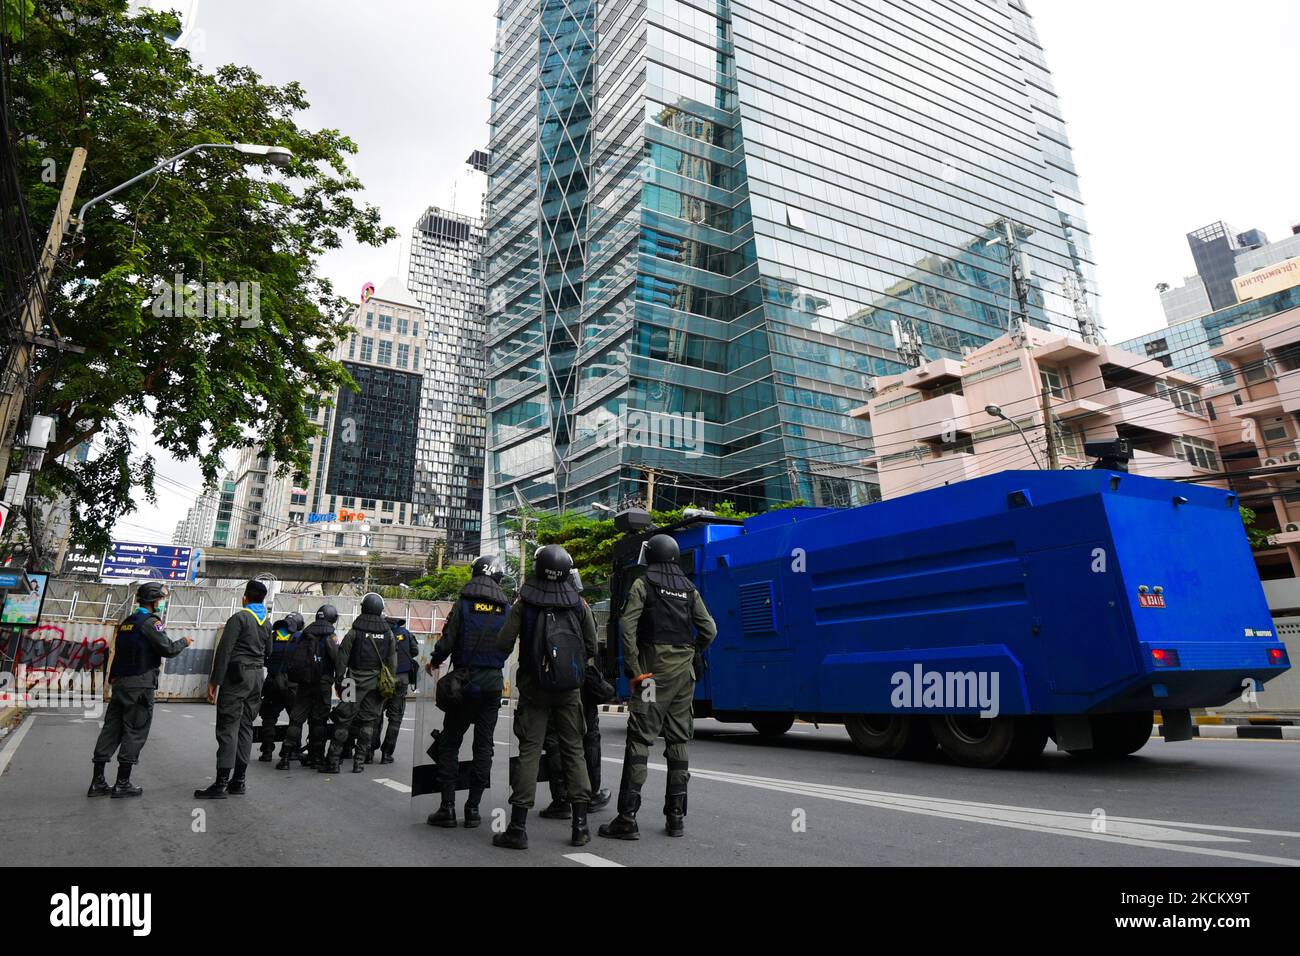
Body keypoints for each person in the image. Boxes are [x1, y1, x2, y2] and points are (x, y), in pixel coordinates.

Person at [599, 534, 716, 840]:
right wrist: (693, 653)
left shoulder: (643, 584)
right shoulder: (688, 589)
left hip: (651, 678)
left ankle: (627, 818)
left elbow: (627, 626)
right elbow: (710, 630)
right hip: (683, 678)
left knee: (640, 739)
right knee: (678, 740)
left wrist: (636, 670)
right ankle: (676, 818)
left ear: (650, 556)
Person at [492, 545, 596, 850]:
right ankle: (580, 827)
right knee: (574, 750)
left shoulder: (526, 602)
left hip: (535, 688)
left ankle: (518, 828)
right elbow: (591, 645)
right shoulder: (578, 603)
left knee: (529, 752)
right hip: (569, 690)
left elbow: (503, 643)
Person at [425, 555, 509, 829]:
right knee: (484, 746)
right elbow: (508, 645)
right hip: (493, 684)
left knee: (450, 743)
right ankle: (473, 809)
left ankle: (447, 807)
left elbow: (448, 639)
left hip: (465, 682)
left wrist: (435, 661)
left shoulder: (464, 603)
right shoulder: (506, 608)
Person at [88, 582, 193, 798]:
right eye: (161, 601)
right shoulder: (151, 622)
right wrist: (184, 641)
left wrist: (112, 680)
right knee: (135, 730)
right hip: (140, 684)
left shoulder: (128, 622)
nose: (161, 605)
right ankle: (122, 783)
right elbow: (168, 649)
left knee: (111, 729)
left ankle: (97, 782)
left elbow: (117, 653)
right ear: (154, 600)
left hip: (121, 684)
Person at [539, 569, 612, 817]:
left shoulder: (539, 602)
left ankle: (560, 800)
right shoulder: (581, 605)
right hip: (580, 679)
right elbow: (592, 646)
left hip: (549, 680)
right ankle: (590, 795)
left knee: (555, 740)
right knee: (588, 737)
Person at [195, 579, 271, 800]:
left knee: (228, 727)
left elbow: (224, 651)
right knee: (246, 727)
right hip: (257, 677)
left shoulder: (239, 618)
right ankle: (238, 781)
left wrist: (214, 682)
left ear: (245, 597)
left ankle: (220, 784)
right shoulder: (266, 622)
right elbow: (270, 651)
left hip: (237, 677)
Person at [321, 592, 396, 775]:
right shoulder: (388, 634)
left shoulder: (354, 632)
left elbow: (342, 657)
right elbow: (392, 661)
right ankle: (359, 763)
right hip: (376, 684)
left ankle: (333, 762)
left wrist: (339, 681)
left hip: (351, 681)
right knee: (369, 722)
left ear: (363, 608)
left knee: (342, 721)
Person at [281, 604, 339, 770]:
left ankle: (285, 757)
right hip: (323, 683)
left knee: (296, 718)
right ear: (332, 617)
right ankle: (316, 757)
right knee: (319, 720)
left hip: (304, 683)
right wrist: (341, 681)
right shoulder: (330, 635)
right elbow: (337, 659)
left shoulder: (305, 633)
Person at [258, 611, 305, 762]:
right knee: (295, 719)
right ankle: (291, 751)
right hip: (292, 684)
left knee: (269, 719)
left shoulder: (272, 636)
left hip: (272, 682)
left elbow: (264, 658)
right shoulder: (299, 638)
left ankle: (266, 752)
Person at [373, 615, 419, 764]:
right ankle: (387, 754)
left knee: (376, 715)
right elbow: (415, 651)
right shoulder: (406, 633)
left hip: (384, 680)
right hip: (402, 679)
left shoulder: (381, 634)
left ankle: (369, 751)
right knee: (395, 717)